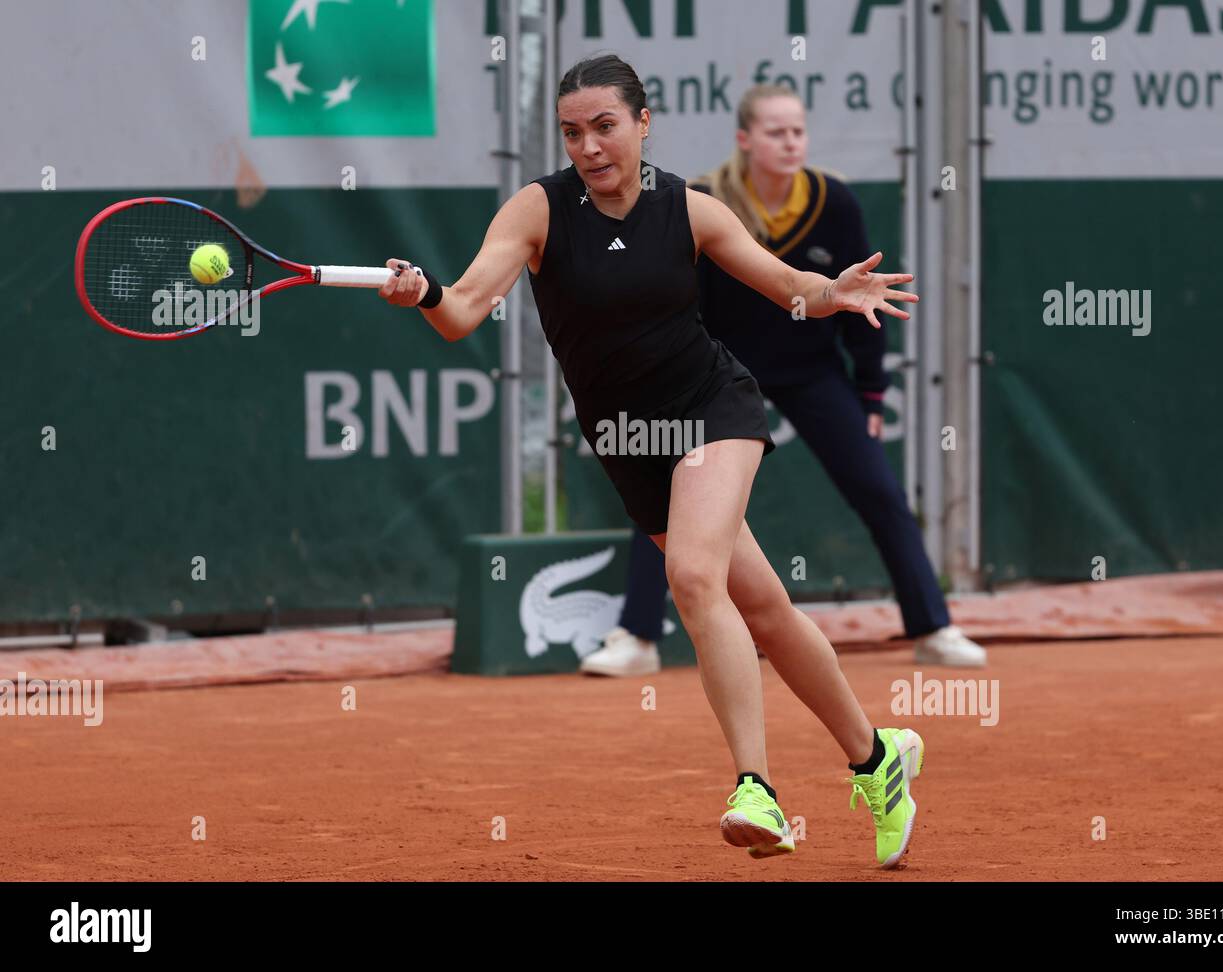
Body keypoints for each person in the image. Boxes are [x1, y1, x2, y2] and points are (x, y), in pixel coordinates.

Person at [379, 55, 924, 868]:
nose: (589, 147)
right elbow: (460, 312)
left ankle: (756, 789)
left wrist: (831, 292)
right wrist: (423, 294)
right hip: (628, 440)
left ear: (643, 121)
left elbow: (784, 286)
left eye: (605, 126)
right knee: (765, 609)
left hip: (711, 405)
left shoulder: (690, 210)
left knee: (695, 580)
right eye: (572, 132)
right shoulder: (537, 211)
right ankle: (877, 760)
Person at [580, 84, 986, 679]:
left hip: (810, 371)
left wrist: (870, 391)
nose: (791, 141)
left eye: (798, 130)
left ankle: (933, 627)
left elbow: (862, 301)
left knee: (879, 491)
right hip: (714, 374)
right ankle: (637, 638)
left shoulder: (835, 202)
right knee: (673, 497)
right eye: (776, 131)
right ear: (745, 140)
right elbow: (674, 302)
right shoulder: (703, 202)